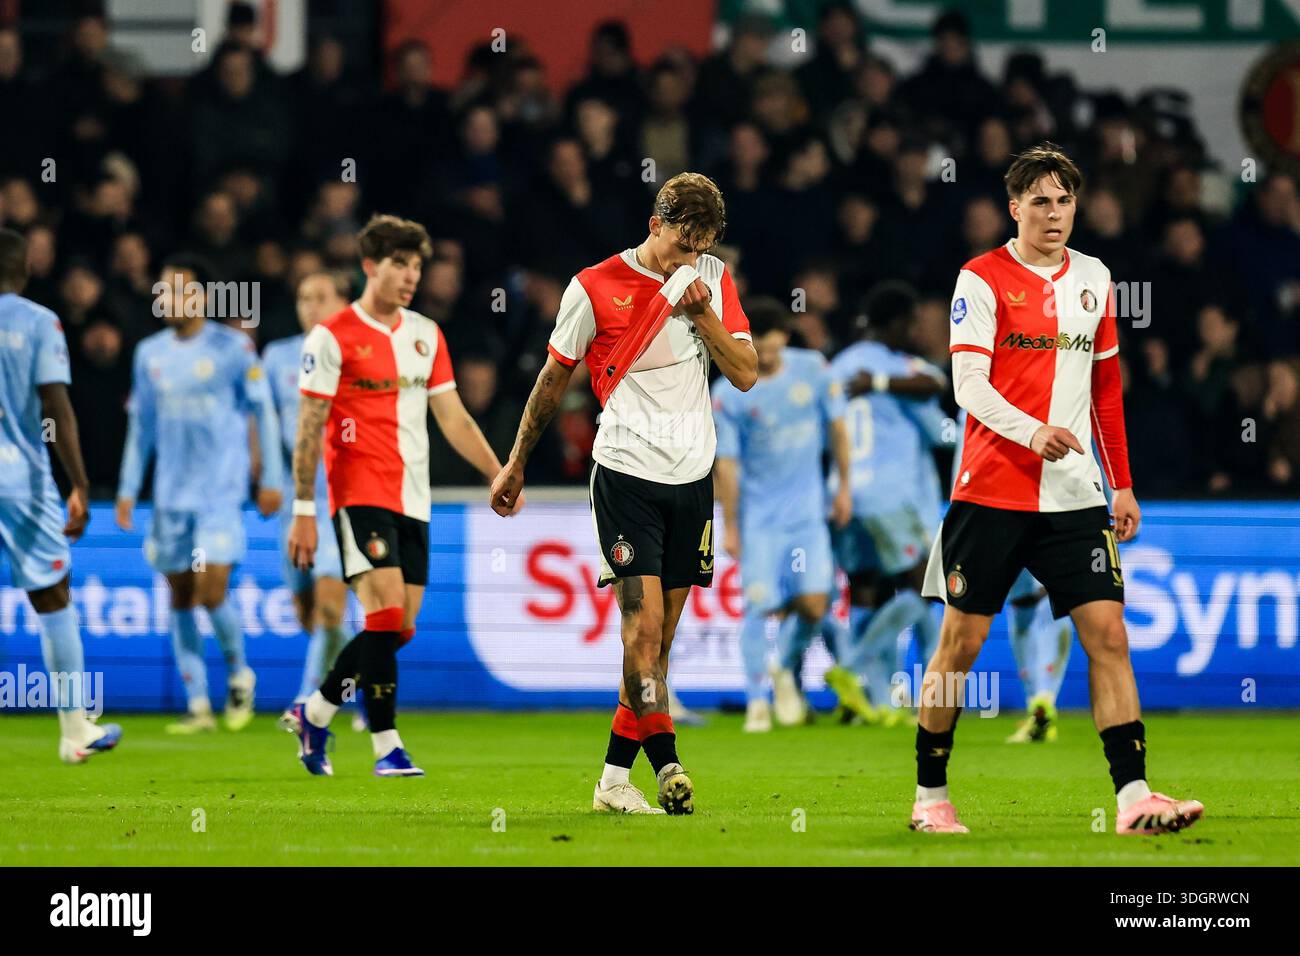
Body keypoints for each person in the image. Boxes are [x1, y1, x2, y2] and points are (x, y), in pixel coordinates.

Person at [914, 143, 1203, 835]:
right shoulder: (980, 279)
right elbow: (967, 387)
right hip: (991, 491)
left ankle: (1133, 797)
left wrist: (1123, 485)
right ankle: (930, 798)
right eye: (1039, 200)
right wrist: (1031, 431)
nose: (1054, 212)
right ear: (1014, 210)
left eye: (1064, 200)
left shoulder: (1096, 277)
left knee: (1108, 635)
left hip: (1074, 495)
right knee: (960, 646)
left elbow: (1106, 388)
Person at [490, 173, 756, 814]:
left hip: (692, 476)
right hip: (625, 474)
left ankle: (612, 782)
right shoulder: (594, 287)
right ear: (654, 223)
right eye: (680, 244)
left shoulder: (713, 281)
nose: (688, 258)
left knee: (660, 648)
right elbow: (554, 379)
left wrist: (700, 311)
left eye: (701, 247)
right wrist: (517, 462)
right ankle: (668, 769)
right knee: (642, 631)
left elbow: (746, 374)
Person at [285, 214, 514, 777]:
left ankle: (315, 712)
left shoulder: (426, 334)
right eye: (400, 265)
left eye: (417, 265)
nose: (411, 276)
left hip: (414, 497)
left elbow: (452, 416)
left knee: (399, 626)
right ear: (370, 267)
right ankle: (387, 745)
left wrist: (498, 470)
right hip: (358, 493)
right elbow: (310, 425)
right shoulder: (331, 336)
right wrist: (304, 510)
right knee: (385, 614)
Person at [116, 256, 282, 733]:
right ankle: (197, 706)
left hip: (220, 495)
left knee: (211, 590)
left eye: (182, 292)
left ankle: (238, 673)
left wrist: (270, 476)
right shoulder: (149, 353)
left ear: (204, 298)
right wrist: (129, 488)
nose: (171, 300)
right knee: (181, 597)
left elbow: (263, 412)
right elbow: (141, 427)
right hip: (170, 497)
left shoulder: (233, 349)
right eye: (164, 292)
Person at [0, 228, 121, 763]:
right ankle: (75, 731)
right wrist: (79, 480)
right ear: (23, 269)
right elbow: (56, 404)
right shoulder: (38, 321)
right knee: (53, 594)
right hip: (21, 482)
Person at [712, 297, 852, 732]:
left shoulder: (813, 369)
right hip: (759, 520)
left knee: (816, 602)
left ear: (785, 341)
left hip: (808, 516)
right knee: (757, 606)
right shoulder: (728, 392)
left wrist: (843, 487)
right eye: (759, 351)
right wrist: (731, 525)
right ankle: (758, 702)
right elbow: (727, 465)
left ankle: (783, 669)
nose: (766, 360)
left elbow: (838, 428)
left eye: (773, 350)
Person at [826, 283, 951, 727]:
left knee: (866, 589)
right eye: (911, 323)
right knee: (924, 588)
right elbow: (939, 418)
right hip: (890, 497)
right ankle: (852, 669)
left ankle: (869, 701)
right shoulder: (898, 372)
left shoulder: (839, 365)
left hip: (842, 495)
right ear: (896, 324)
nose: (915, 332)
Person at [261, 272, 353, 724]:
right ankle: (356, 682)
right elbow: (267, 423)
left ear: (341, 301)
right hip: (295, 502)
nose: (310, 305)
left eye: (321, 297)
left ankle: (305, 705)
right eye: (303, 297)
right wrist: (270, 482)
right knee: (310, 613)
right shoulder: (277, 356)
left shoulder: (356, 353)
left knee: (331, 605)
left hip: (339, 496)